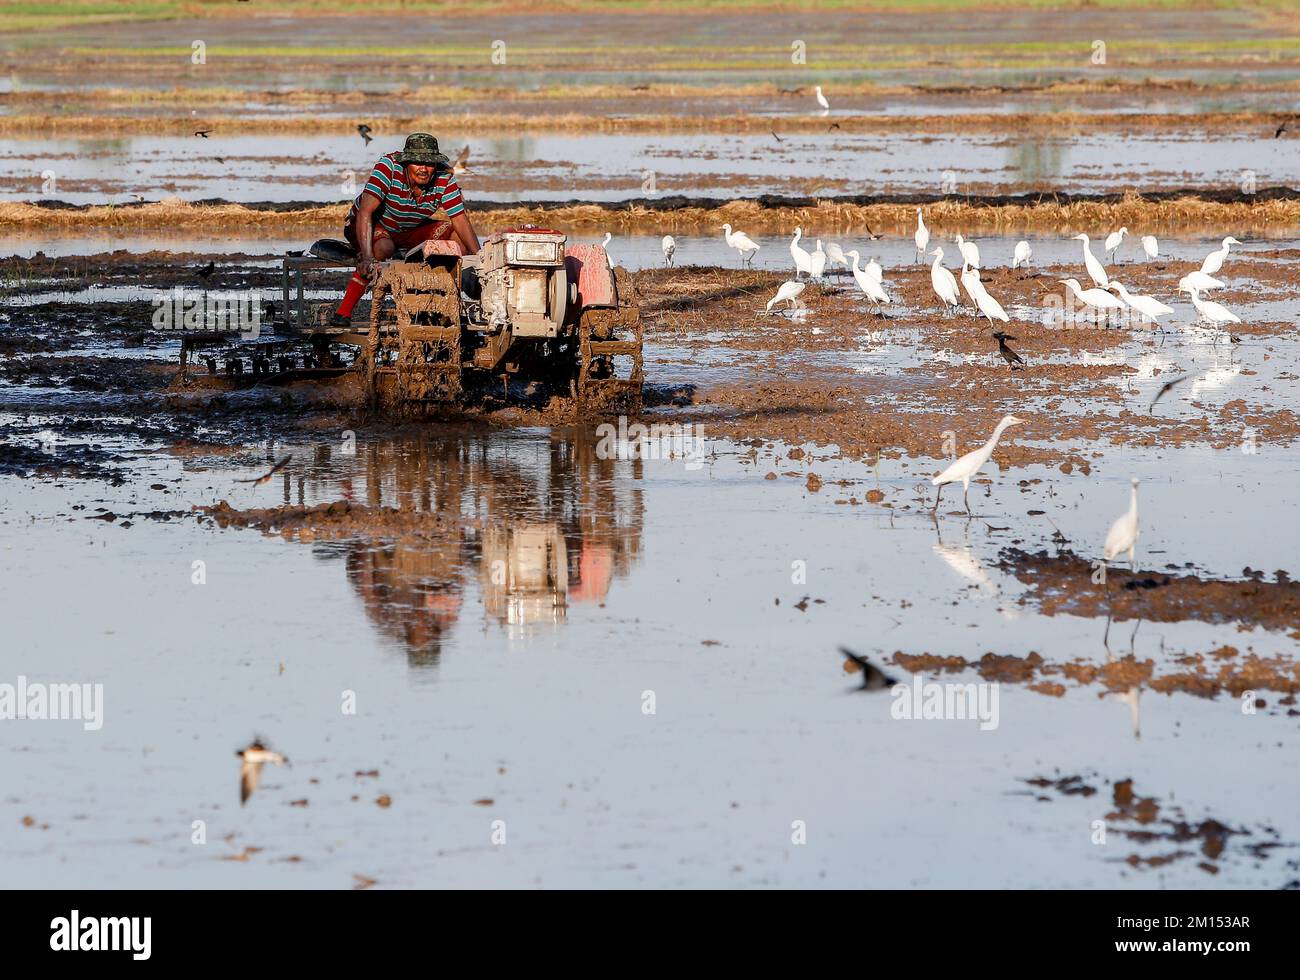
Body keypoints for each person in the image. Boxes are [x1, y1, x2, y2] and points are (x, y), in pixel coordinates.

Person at [331, 132, 481, 327]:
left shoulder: (444, 176)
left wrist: (479, 259)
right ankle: (343, 312)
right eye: (418, 163)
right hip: (370, 224)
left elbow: (460, 220)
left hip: (408, 229)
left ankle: (438, 302)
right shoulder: (388, 168)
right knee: (384, 248)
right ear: (406, 162)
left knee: (457, 239)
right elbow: (365, 213)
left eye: (429, 164)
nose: (424, 169)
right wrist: (367, 257)